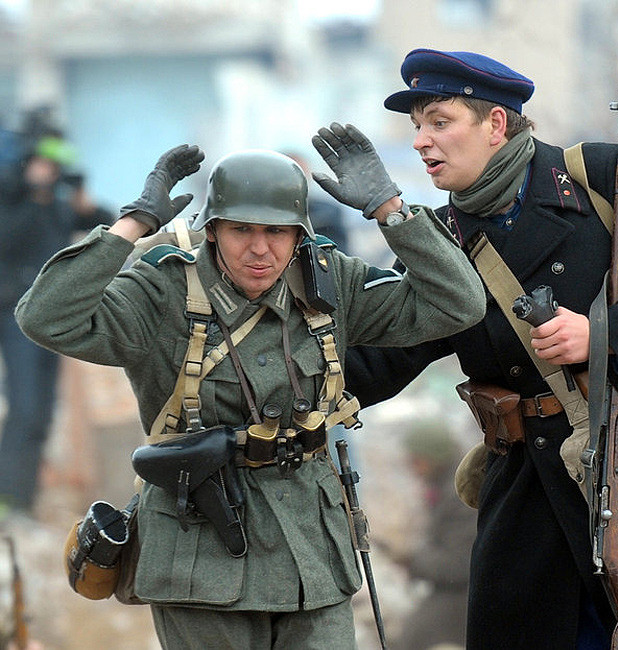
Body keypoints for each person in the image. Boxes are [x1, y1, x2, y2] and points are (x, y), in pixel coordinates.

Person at [341, 48, 618, 649]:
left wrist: (603, 335)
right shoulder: (441, 242)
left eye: (439, 121)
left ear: (496, 124)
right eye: (417, 128)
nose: (422, 142)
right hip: (529, 495)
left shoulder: (605, 182)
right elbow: (379, 361)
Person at [14, 134, 486, 649]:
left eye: (277, 232)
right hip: (199, 552)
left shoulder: (329, 283)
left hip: (312, 554)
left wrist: (391, 210)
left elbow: (458, 305)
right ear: (212, 230)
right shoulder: (163, 292)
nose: (260, 249)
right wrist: (132, 225)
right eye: (241, 230)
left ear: (300, 235)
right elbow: (45, 316)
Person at [0, 144, 111, 515]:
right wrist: (33, 195)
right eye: (43, 165)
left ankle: (23, 498)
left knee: (44, 411)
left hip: (51, 322)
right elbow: (8, 238)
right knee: (25, 408)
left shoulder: (60, 208)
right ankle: (9, 498)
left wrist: (79, 197)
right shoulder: (14, 203)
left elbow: (107, 222)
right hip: (15, 318)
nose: (50, 172)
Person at [394, 422, 476, 650]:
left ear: (434, 457)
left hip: (466, 594)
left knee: (412, 638)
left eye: (417, 461)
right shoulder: (445, 486)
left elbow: (459, 566)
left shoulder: (459, 495)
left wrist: (410, 559)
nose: (413, 469)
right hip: (457, 588)